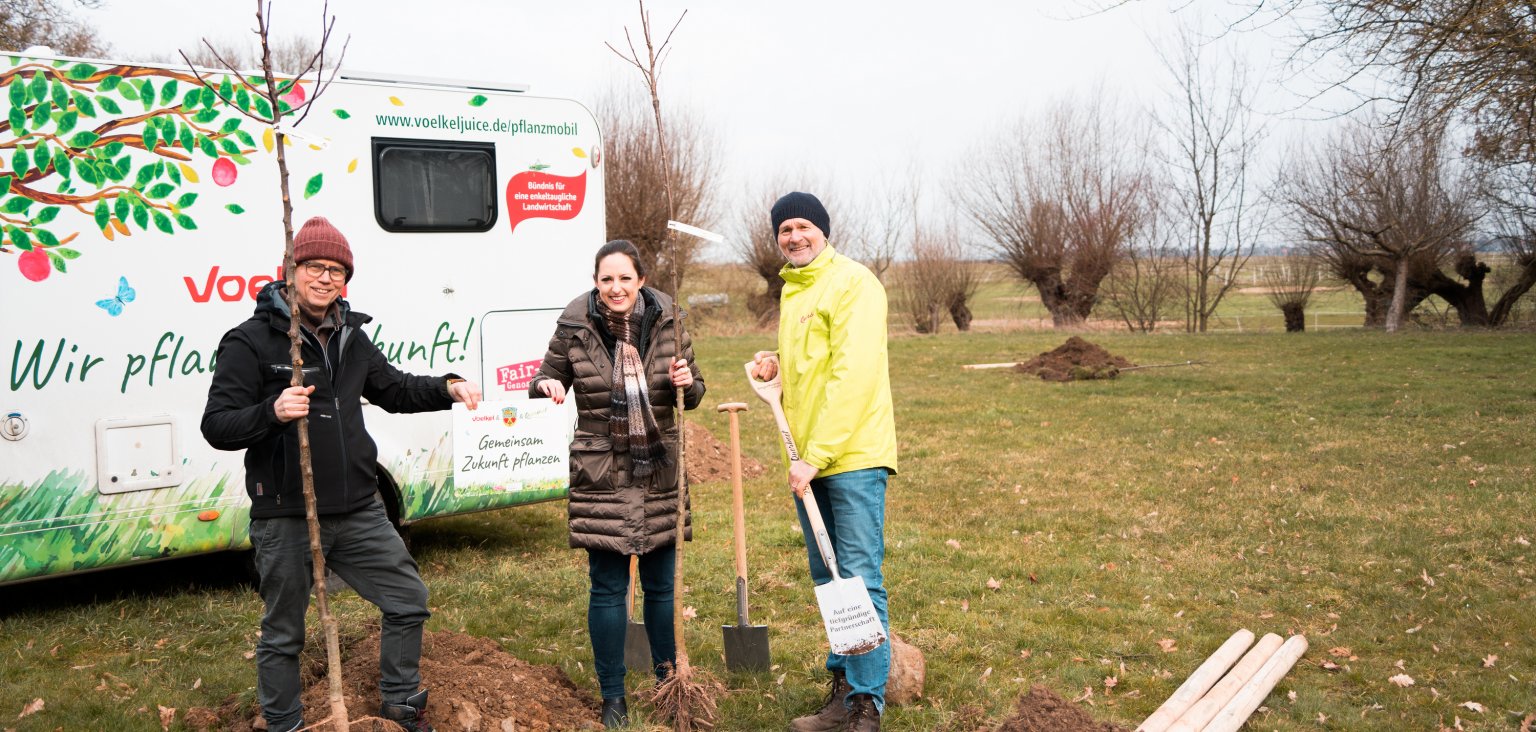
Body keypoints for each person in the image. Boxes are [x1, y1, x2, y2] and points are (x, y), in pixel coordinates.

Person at [201, 216, 482, 732]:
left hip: (358, 509)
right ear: (290, 270)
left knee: (407, 600)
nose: (325, 277)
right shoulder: (250, 342)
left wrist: (447, 387)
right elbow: (217, 424)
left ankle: (401, 702)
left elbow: (395, 389)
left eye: (336, 270)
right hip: (286, 513)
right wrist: (272, 412)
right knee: (284, 633)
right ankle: (284, 723)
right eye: (314, 266)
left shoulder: (351, 338)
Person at [528, 239, 705, 728]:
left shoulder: (669, 322)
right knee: (607, 588)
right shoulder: (575, 326)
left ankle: (668, 686)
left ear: (641, 281)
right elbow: (545, 378)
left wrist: (688, 383)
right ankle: (613, 697)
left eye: (625, 278)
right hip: (601, 473)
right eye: (607, 279)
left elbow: (694, 393)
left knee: (661, 587)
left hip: (658, 469)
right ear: (596, 282)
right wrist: (544, 386)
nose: (616, 287)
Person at [750, 192, 898, 732]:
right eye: (784, 229)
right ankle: (844, 690)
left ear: (823, 230)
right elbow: (815, 365)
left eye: (803, 226)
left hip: (850, 456)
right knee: (832, 581)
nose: (794, 237)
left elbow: (852, 375)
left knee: (857, 575)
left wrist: (815, 456)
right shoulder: (796, 290)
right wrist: (777, 364)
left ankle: (866, 705)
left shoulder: (854, 282)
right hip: (811, 462)